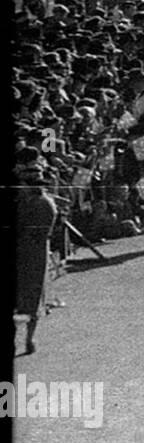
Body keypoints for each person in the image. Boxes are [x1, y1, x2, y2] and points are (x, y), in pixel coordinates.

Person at [13, 150, 59, 356]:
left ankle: (28, 339)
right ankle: (27, 339)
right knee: (31, 296)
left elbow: (37, 233)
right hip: (35, 253)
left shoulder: (40, 204)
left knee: (31, 296)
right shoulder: (45, 203)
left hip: (31, 253)